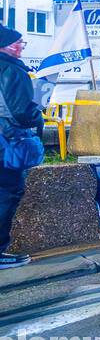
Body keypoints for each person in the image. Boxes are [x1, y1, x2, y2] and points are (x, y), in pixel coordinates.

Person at [0, 26, 42, 269]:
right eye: (20, 43)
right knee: (7, 193)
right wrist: (38, 115)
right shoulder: (12, 70)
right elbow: (21, 112)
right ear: (8, 45)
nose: (22, 48)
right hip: (7, 144)